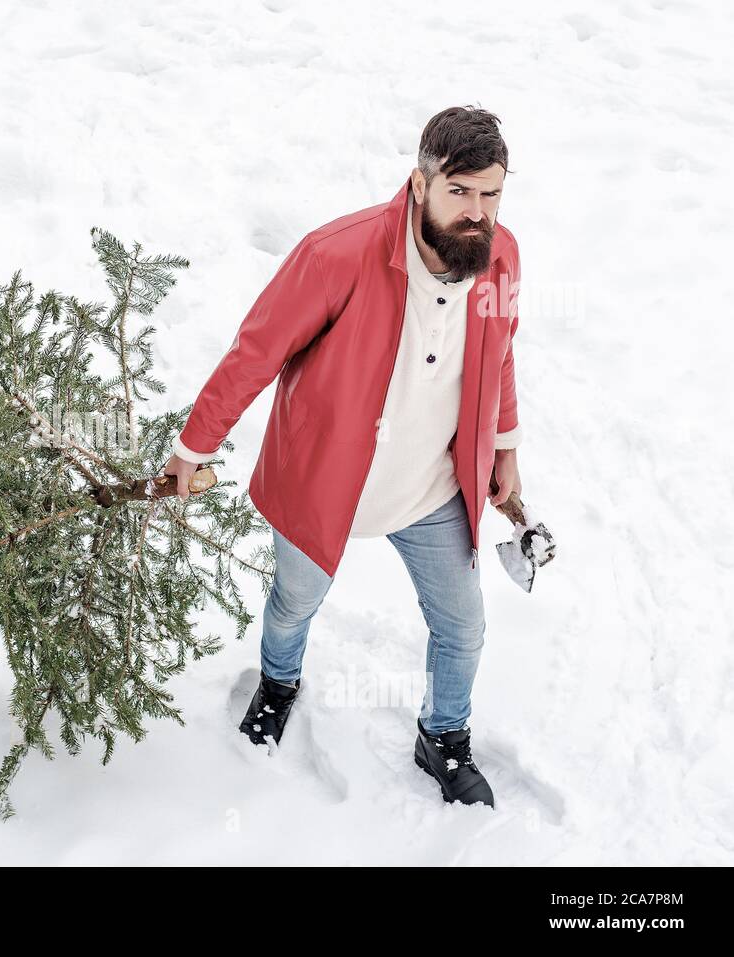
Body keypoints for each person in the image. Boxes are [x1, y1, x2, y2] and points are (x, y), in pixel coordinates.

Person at [162, 106, 525, 807]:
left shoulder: (500, 256)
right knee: (293, 604)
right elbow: (255, 352)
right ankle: (278, 681)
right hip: (327, 484)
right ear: (419, 185)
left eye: (492, 195)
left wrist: (505, 448)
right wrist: (193, 446)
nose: (478, 213)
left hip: (429, 488)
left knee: (464, 626)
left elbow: (500, 352)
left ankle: (443, 736)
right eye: (460, 192)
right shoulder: (337, 254)